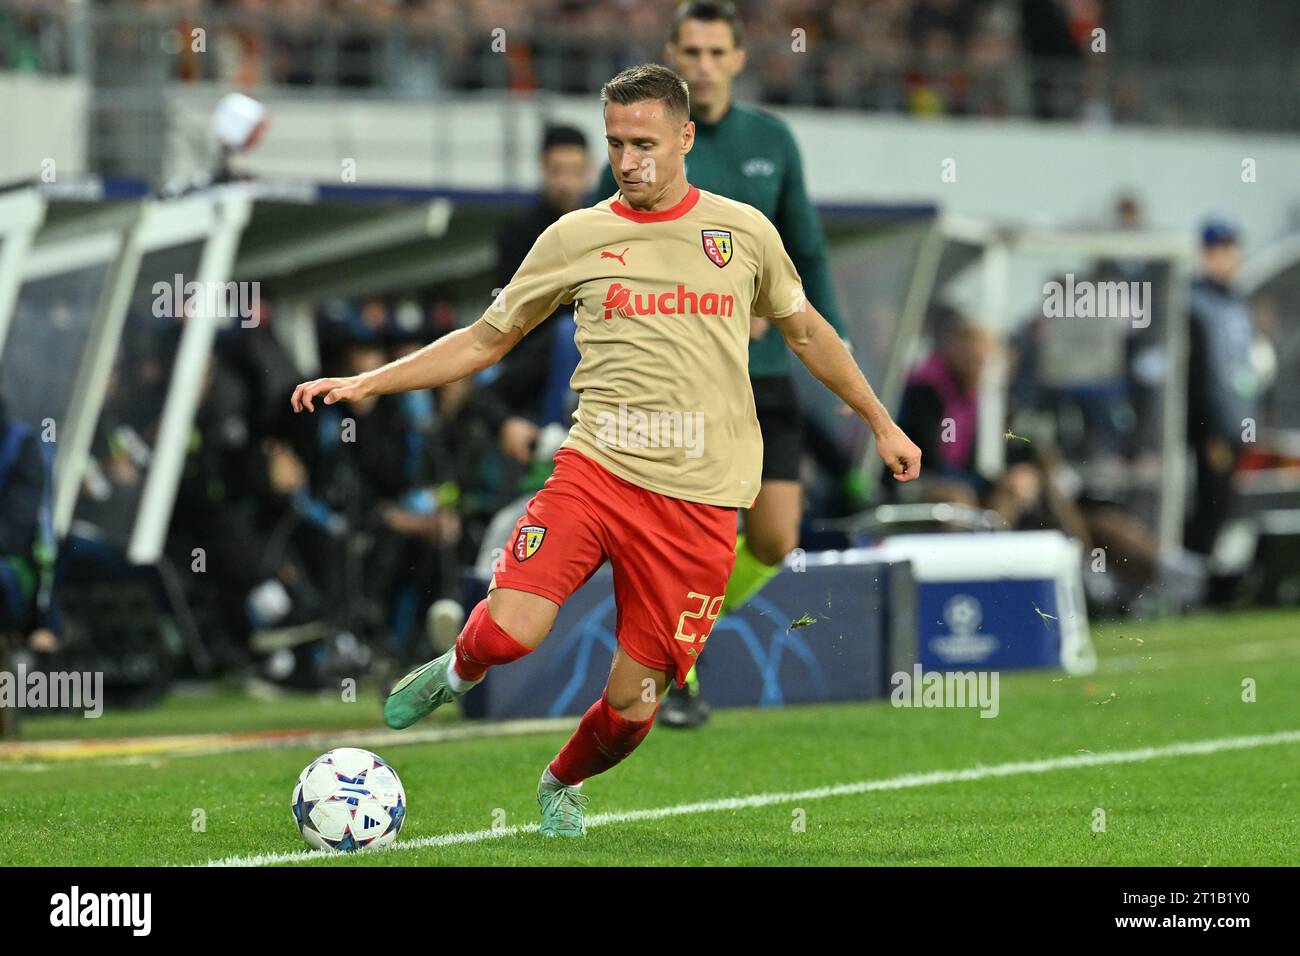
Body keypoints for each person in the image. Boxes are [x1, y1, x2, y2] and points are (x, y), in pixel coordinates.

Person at [292, 63, 921, 838]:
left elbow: (809, 334)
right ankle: (455, 669)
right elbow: (487, 339)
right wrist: (371, 383)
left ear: (686, 138)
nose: (629, 162)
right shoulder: (577, 235)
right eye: (616, 143)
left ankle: (561, 780)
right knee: (512, 630)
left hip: (700, 501)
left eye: (646, 143)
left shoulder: (744, 233)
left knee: (632, 705)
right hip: (598, 471)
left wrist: (880, 421)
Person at [593, 1, 848, 728]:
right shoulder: (648, 138)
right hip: (684, 378)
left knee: (774, 537)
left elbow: (808, 247)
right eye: (690, 51)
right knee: (695, 536)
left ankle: (679, 639)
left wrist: (835, 345)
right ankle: (679, 666)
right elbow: (600, 232)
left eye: (715, 52)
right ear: (672, 54)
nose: (702, 64)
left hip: (764, 376)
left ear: (738, 59)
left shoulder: (772, 140)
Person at [1185, 220, 1259, 557]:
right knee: (1207, 502)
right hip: (1211, 428)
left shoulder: (1236, 302)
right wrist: (1208, 432)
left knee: (1225, 504)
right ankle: (1195, 579)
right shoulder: (1195, 304)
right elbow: (1197, 376)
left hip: (1237, 423)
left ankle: (1211, 572)